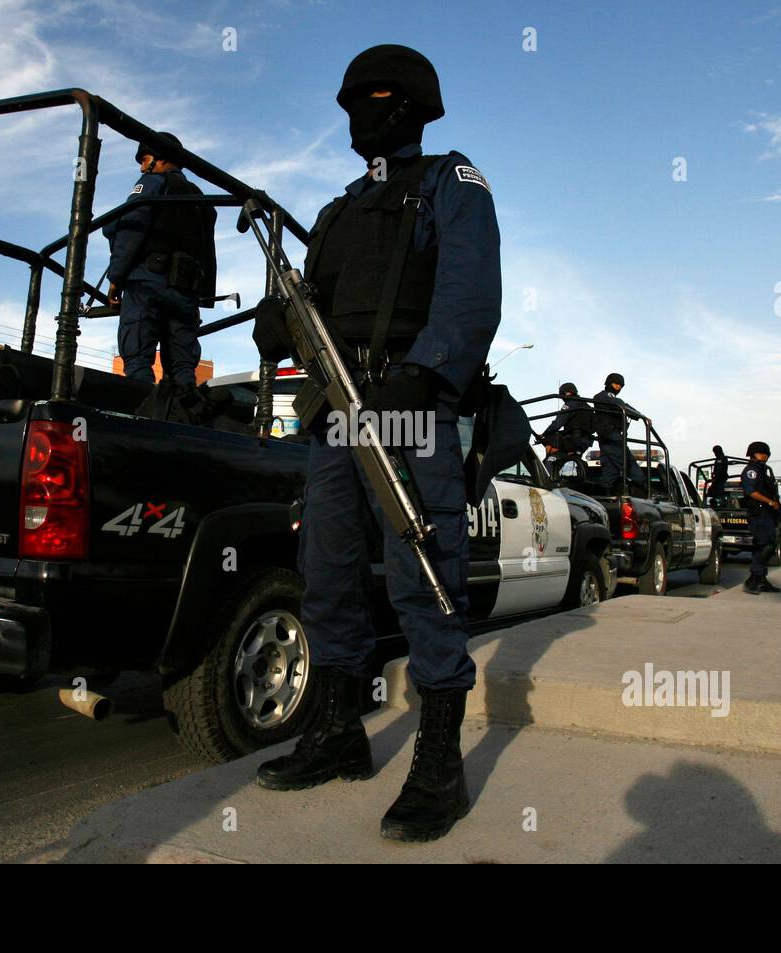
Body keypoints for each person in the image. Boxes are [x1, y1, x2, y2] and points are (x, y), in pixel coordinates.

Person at [254, 45, 501, 844]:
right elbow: (310, 308)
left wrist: (427, 374)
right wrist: (275, 323)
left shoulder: (448, 183)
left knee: (422, 571)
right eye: (354, 99)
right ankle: (336, 732)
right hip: (335, 413)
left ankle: (437, 758)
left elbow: (472, 290)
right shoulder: (334, 214)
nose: (362, 111)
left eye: (377, 96)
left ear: (413, 104)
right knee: (325, 571)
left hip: (405, 405)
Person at [105, 131, 217, 391]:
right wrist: (204, 297)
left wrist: (115, 279)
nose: (143, 167)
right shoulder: (201, 197)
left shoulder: (153, 184)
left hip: (148, 282)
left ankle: (140, 420)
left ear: (162, 159)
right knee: (182, 368)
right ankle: (180, 422)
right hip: (186, 291)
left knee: (137, 360)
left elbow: (130, 228)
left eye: (145, 160)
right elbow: (207, 250)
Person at [592, 373, 648, 493]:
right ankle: (646, 488)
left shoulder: (609, 397)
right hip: (611, 435)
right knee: (627, 461)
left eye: (621, 386)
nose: (619, 387)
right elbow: (620, 405)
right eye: (616, 384)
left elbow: (620, 405)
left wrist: (638, 415)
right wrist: (641, 416)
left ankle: (607, 494)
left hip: (608, 435)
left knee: (610, 468)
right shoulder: (604, 396)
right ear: (609, 383)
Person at [741, 440, 781, 594]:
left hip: (766, 513)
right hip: (758, 513)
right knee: (766, 545)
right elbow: (751, 492)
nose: (766, 456)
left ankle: (761, 579)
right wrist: (770, 502)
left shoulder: (763, 470)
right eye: (763, 453)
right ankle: (754, 578)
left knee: (765, 545)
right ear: (755, 454)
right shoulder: (751, 471)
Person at [541, 382, 591, 477]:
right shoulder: (587, 406)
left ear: (567, 393)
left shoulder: (570, 404)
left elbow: (557, 424)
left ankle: (546, 480)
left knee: (550, 460)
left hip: (573, 441)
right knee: (570, 458)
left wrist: (544, 434)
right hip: (584, 442)